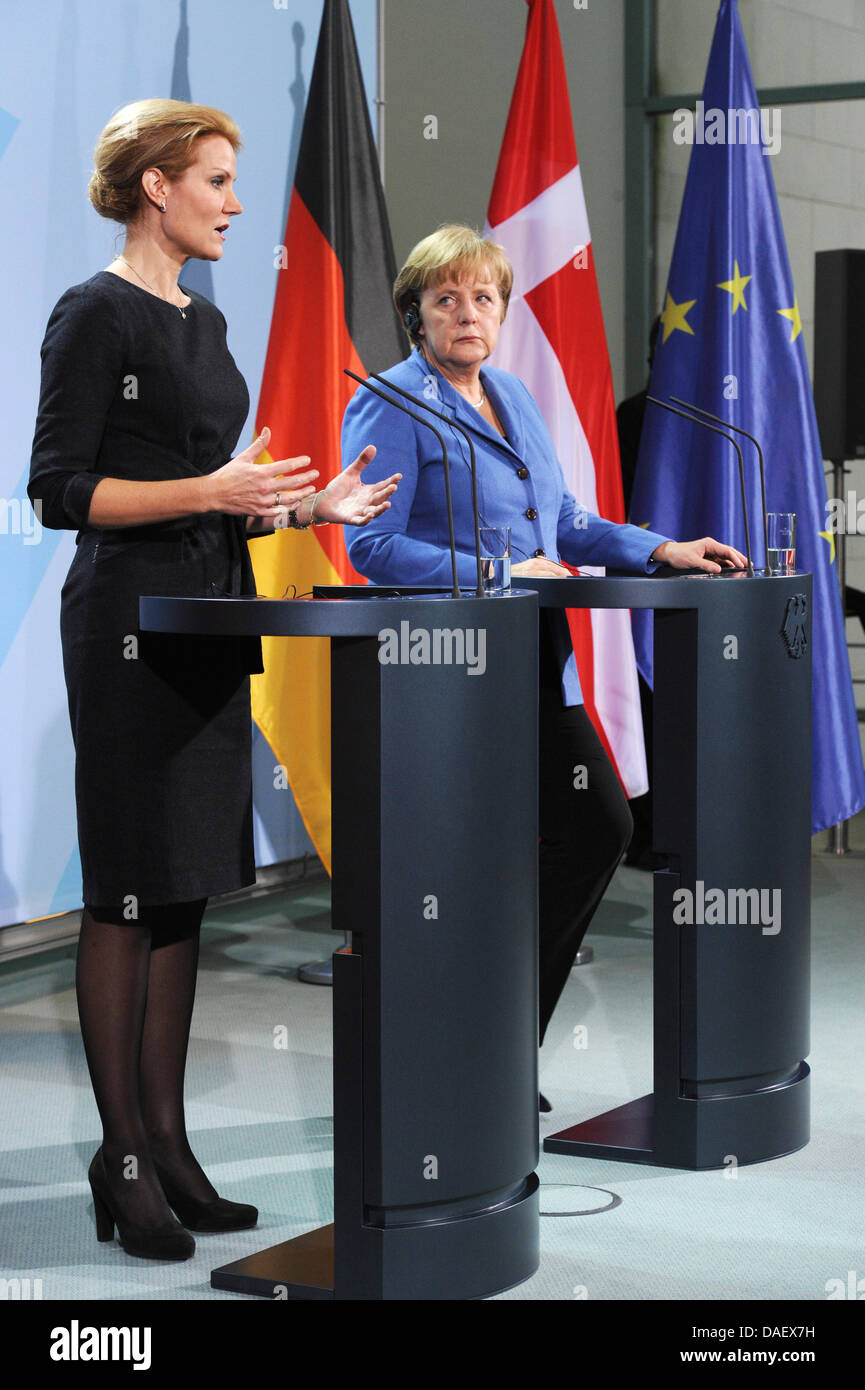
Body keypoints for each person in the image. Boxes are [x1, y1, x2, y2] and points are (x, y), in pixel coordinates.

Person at [28, 98, 398, 1262]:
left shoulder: (207, 319)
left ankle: (170, 1144)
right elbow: (61, 490)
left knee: (183, 888)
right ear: (156, 186)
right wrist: (216, 494)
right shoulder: (93, 314)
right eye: (219, 180)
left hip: (207, 619)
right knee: (127, 894)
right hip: (129, 629)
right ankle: (121, 1157)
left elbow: (214, 481)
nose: (236, 201)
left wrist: (305, 503)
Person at [340, 225, 746, 1107]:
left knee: (599, 826)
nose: (467, 312)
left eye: (483, 297)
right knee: (468, 865)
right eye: (446, 297)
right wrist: (492, 571)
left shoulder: (514, 395)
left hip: (536, 665)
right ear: (415, 312)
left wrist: (664, 549)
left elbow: (566, 523)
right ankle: (457, 1057)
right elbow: (370, 546)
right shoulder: (391, 400)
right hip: (447, 671)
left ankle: (492, 1039)